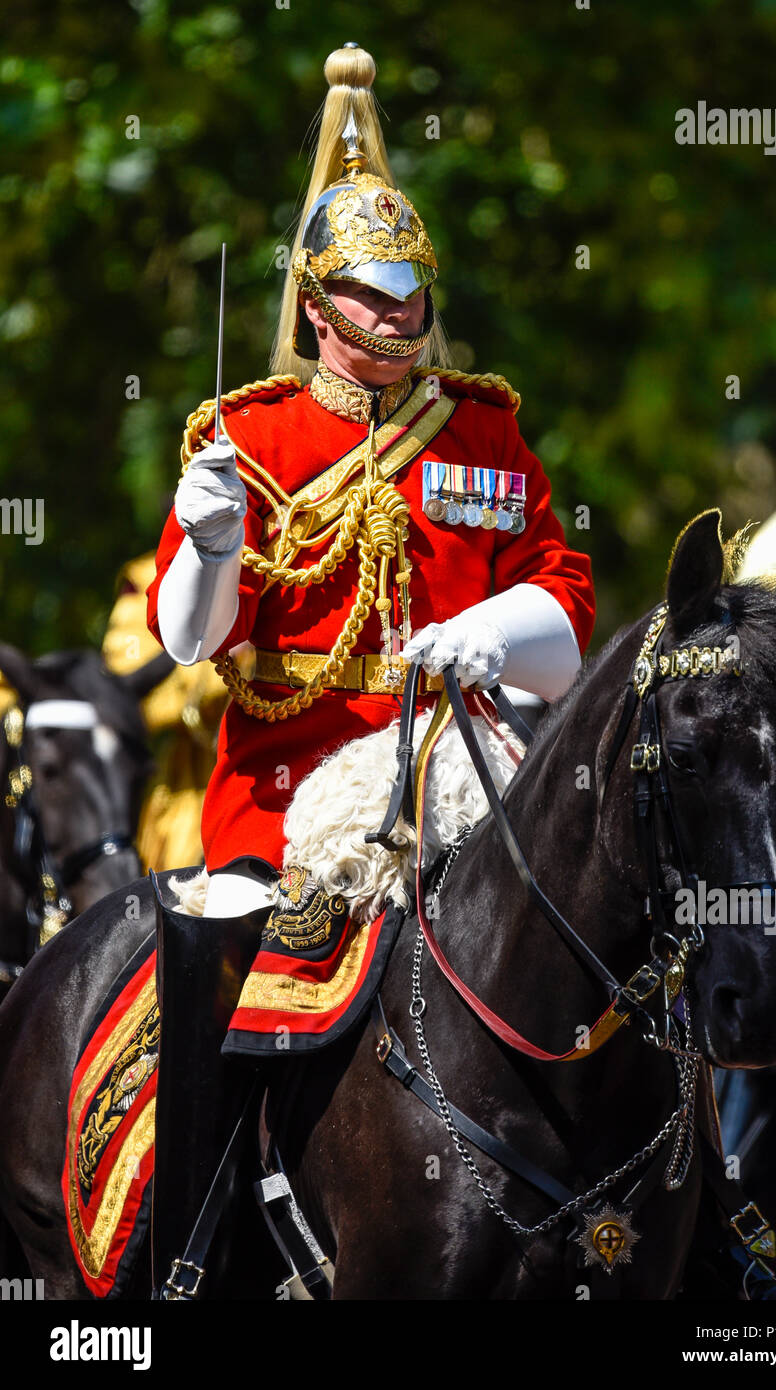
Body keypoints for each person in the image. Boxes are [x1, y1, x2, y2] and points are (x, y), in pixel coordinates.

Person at [145, 43, 595, 921]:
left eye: (411, 288)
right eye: (373, 291)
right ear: (315, 306)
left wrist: (494, 634)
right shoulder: (250, 433)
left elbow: (562, 595)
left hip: (455, 767)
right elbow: (191, 643)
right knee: (224, 972)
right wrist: (211, 547)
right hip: (278, 791)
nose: (399, 311)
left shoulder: (481, 426)